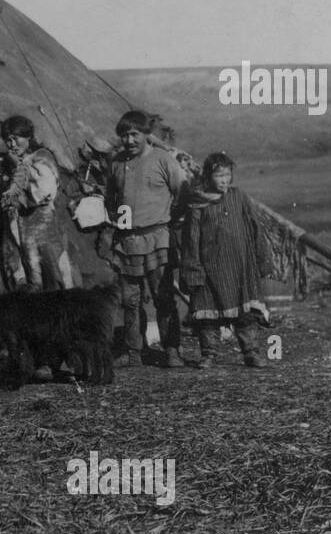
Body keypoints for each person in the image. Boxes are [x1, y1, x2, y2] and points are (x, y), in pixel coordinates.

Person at [104, 109, 186, 368]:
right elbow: (110, 199)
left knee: (162, 295)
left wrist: (169, 219)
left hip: (158, 236)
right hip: (127, 240)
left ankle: (171, 350)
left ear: (146, 134)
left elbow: (182, 193)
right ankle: (133, 352)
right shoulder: (117, 163)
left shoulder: (163, 159)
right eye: (125, 135)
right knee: (130, 299)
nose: (129, 141)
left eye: (135, 134)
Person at [178, 152, 273, 368]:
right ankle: (208, 354)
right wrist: (193, 268)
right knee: (207, 314)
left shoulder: (238, 196)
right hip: (209, 267)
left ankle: (251, 352)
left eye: (227, 175)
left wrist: (261, 257)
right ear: (208, 177)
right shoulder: (198, 203)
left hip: (239, 266)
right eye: (219, 175)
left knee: (245, 313)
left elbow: (255, 227)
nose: (224, 180)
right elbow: (191, 238)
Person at [0, 115, 74, 292]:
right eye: (8, 140)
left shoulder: (42, 159)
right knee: (17, 280)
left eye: (15, 139)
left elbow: (45, 191)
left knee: (50, 277)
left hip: (42, 230)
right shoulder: (3, 165)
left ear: (28, 137)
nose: (12, 145)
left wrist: (18, 168)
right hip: (13, 232)